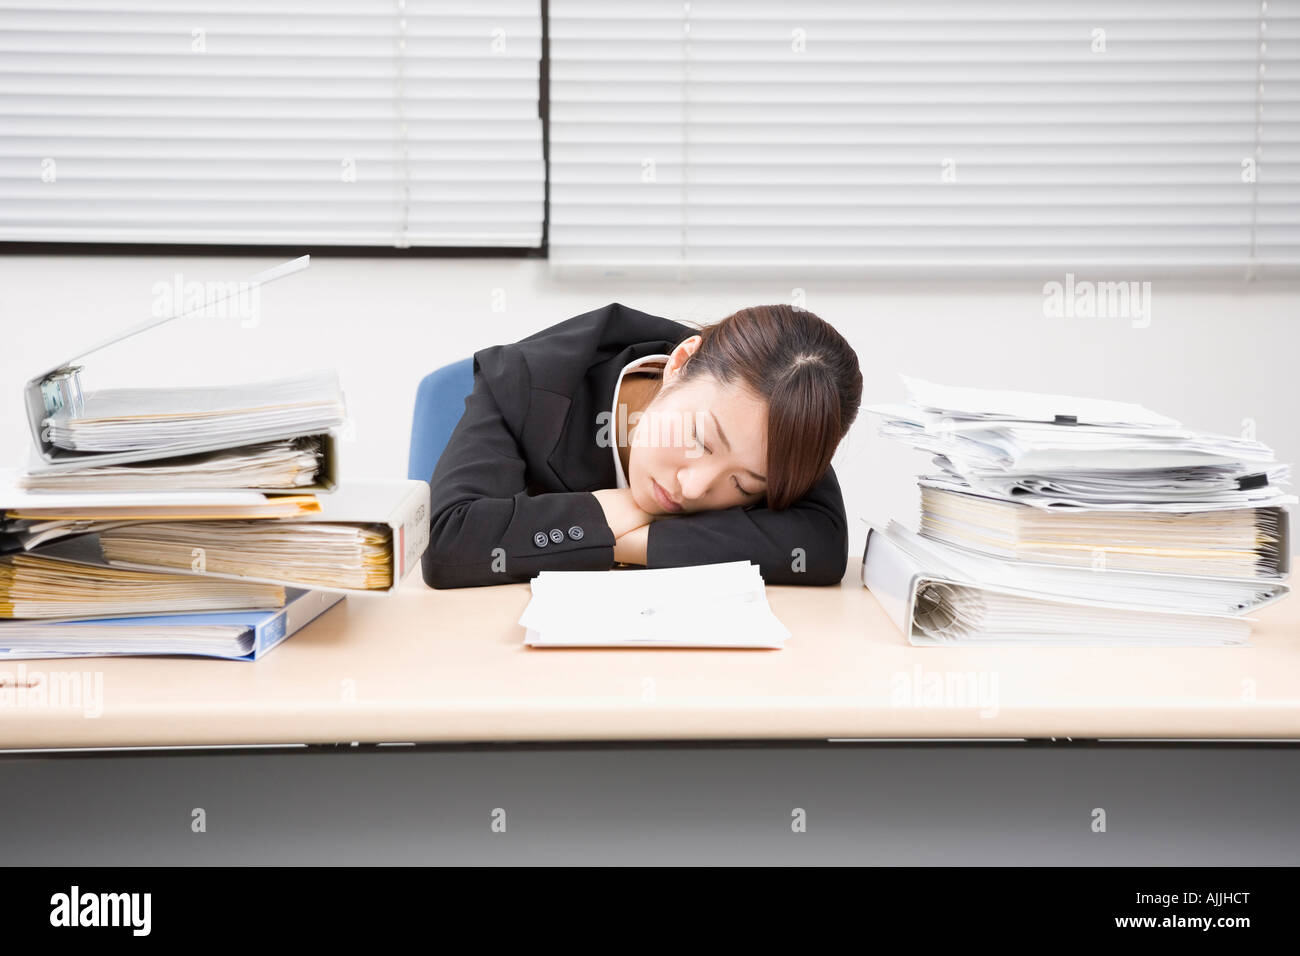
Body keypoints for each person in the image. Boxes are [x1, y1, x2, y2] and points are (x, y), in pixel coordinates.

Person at [421, 301, 862, 589]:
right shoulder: (527, 379)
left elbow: (821, 544)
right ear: (680, 363)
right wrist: (609, 513)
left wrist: (622, 539)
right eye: (699, 441)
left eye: (745, 486)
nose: (693, 489)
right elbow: (446, 542)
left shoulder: (777, 420)